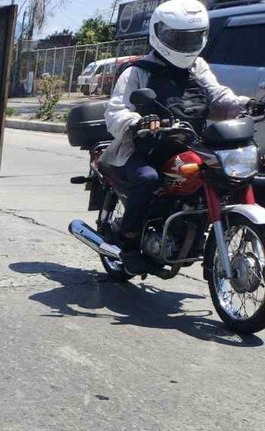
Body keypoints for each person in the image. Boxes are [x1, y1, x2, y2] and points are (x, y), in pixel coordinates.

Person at [103, 0, 259, 270]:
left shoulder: (197, 67)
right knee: (147, 178)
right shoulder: (136, 71)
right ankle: (127, 243)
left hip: (189, 143)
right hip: (144, 148)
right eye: (177, 38)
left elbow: (218, 97)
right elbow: (116, 112)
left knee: (220, 175)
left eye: (191, 38)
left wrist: (246, 104)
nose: (185, 44)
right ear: (160, 33)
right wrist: (138, 122)